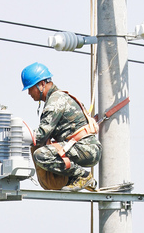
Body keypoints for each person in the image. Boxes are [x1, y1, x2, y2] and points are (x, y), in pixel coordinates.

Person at [21, 61, 101, 190]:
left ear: (42, 84)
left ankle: (82, 176)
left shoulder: (55, 101)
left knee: (41, 154)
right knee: (42, 149)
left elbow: (40, 135)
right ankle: (77, 179)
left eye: (30, 88)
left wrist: (17, 137)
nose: (29, 93)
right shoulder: (58, 97)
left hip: (86, 148)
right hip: (83, 147)